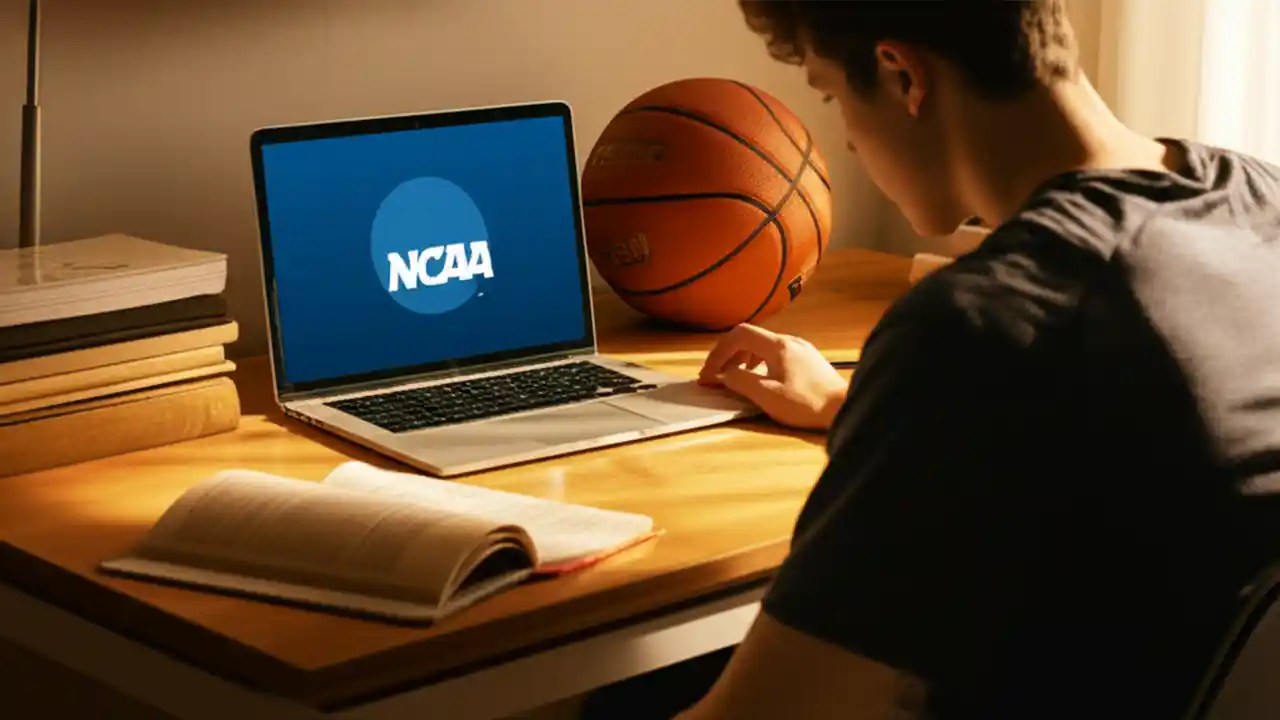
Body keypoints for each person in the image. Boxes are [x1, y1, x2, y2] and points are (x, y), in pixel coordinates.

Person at [588, 1, 1280, 718]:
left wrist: (917, 391)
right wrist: (857, 411)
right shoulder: (1259, 204)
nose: (849, 145)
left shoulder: (985, 327)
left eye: (829, 93)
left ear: (901, 75)